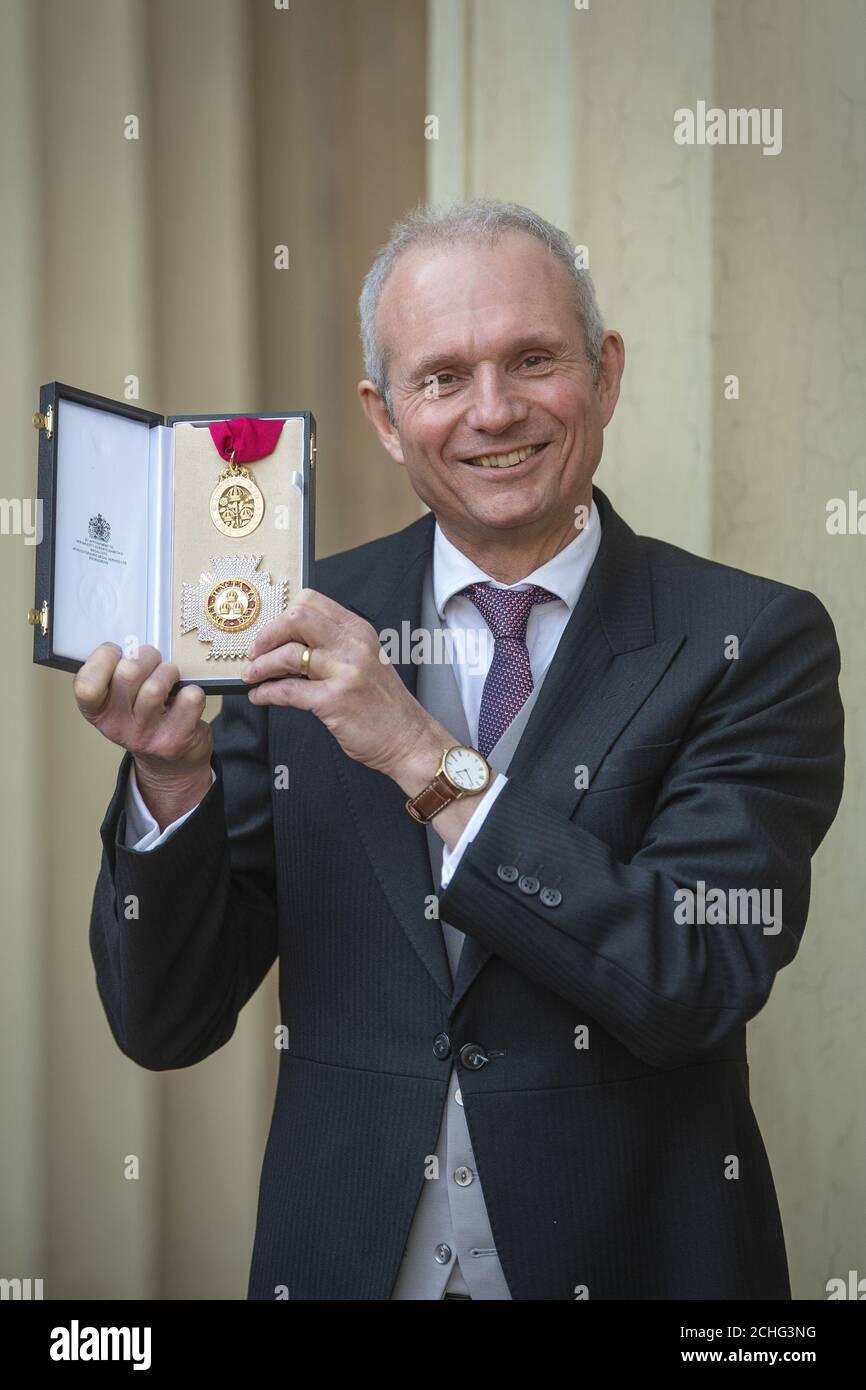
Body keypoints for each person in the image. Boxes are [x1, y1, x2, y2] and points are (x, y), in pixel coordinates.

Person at [75, 198, 845, 1300]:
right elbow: (168, 1021)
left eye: (532, 358)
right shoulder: (286, 629)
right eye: (440, 378)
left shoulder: (748, 641)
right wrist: (171, 779)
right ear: (385, 417)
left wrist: (426, 760)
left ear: (605, 373)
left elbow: (692, 978)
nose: (493, 410)